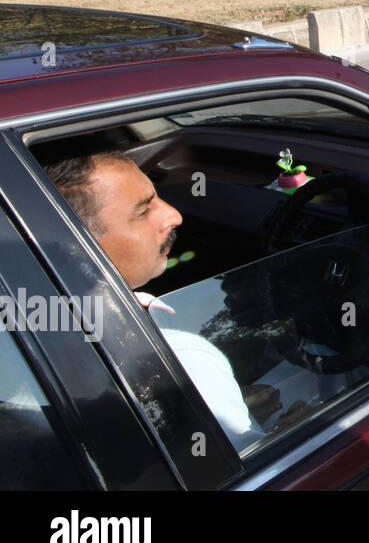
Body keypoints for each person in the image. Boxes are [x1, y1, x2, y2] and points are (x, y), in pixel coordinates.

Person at [40, 144, 262, 447]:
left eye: (157, 196)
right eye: (144, 210)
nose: (174, 215)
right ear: (76, 242)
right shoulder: (176, 362)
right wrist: (282, 433)